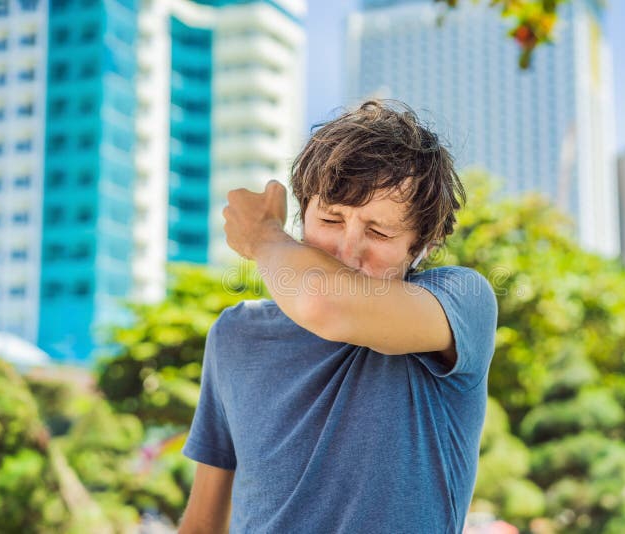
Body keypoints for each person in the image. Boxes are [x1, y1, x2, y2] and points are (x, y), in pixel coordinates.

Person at [178, 100, 498, 533]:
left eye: (379, 231)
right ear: (303, 214)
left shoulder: (459, 301)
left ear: (421, 245)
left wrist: (262, 237)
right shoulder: (237, 333)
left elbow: (323, 303)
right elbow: (202, 522)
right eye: (330, 219)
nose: (349, 251)